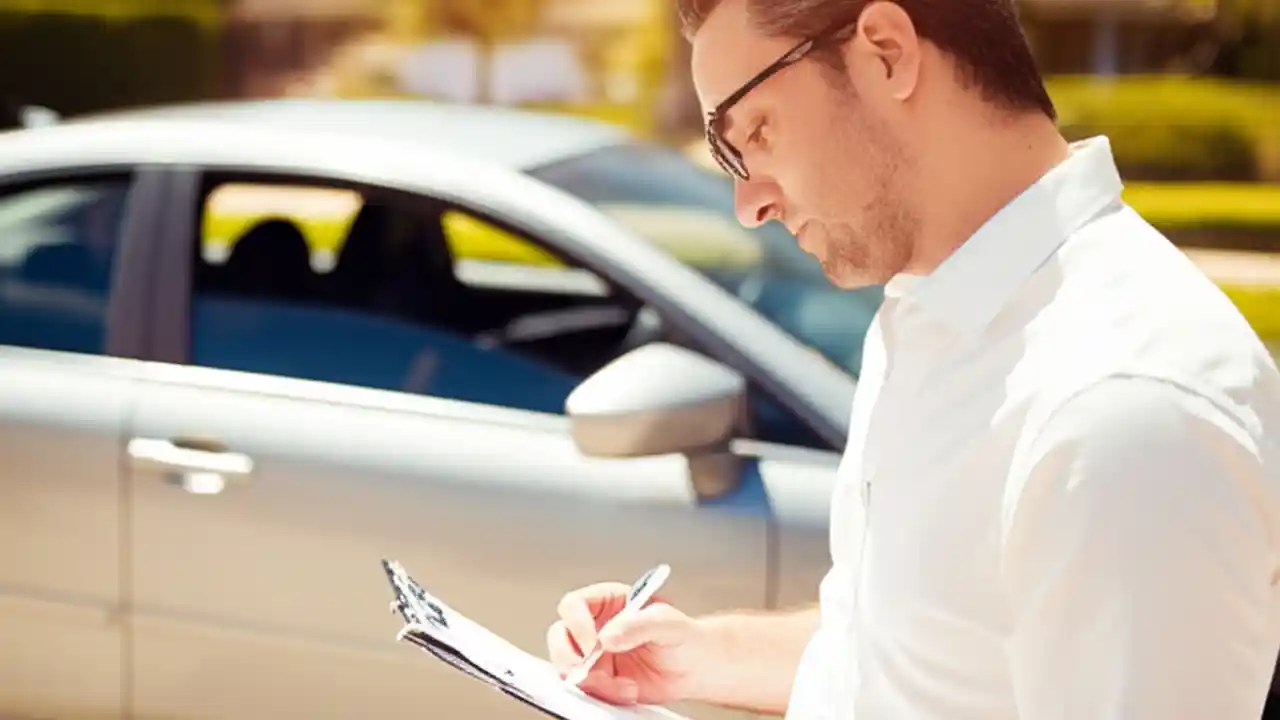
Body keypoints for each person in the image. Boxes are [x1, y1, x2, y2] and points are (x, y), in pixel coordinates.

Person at [546, 0, 1280, 718]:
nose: (747, 205)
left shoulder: (1124, 412)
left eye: (756, 132)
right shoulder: (929, 306)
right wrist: (702, 654)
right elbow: (918, 655)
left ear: (887, 52)